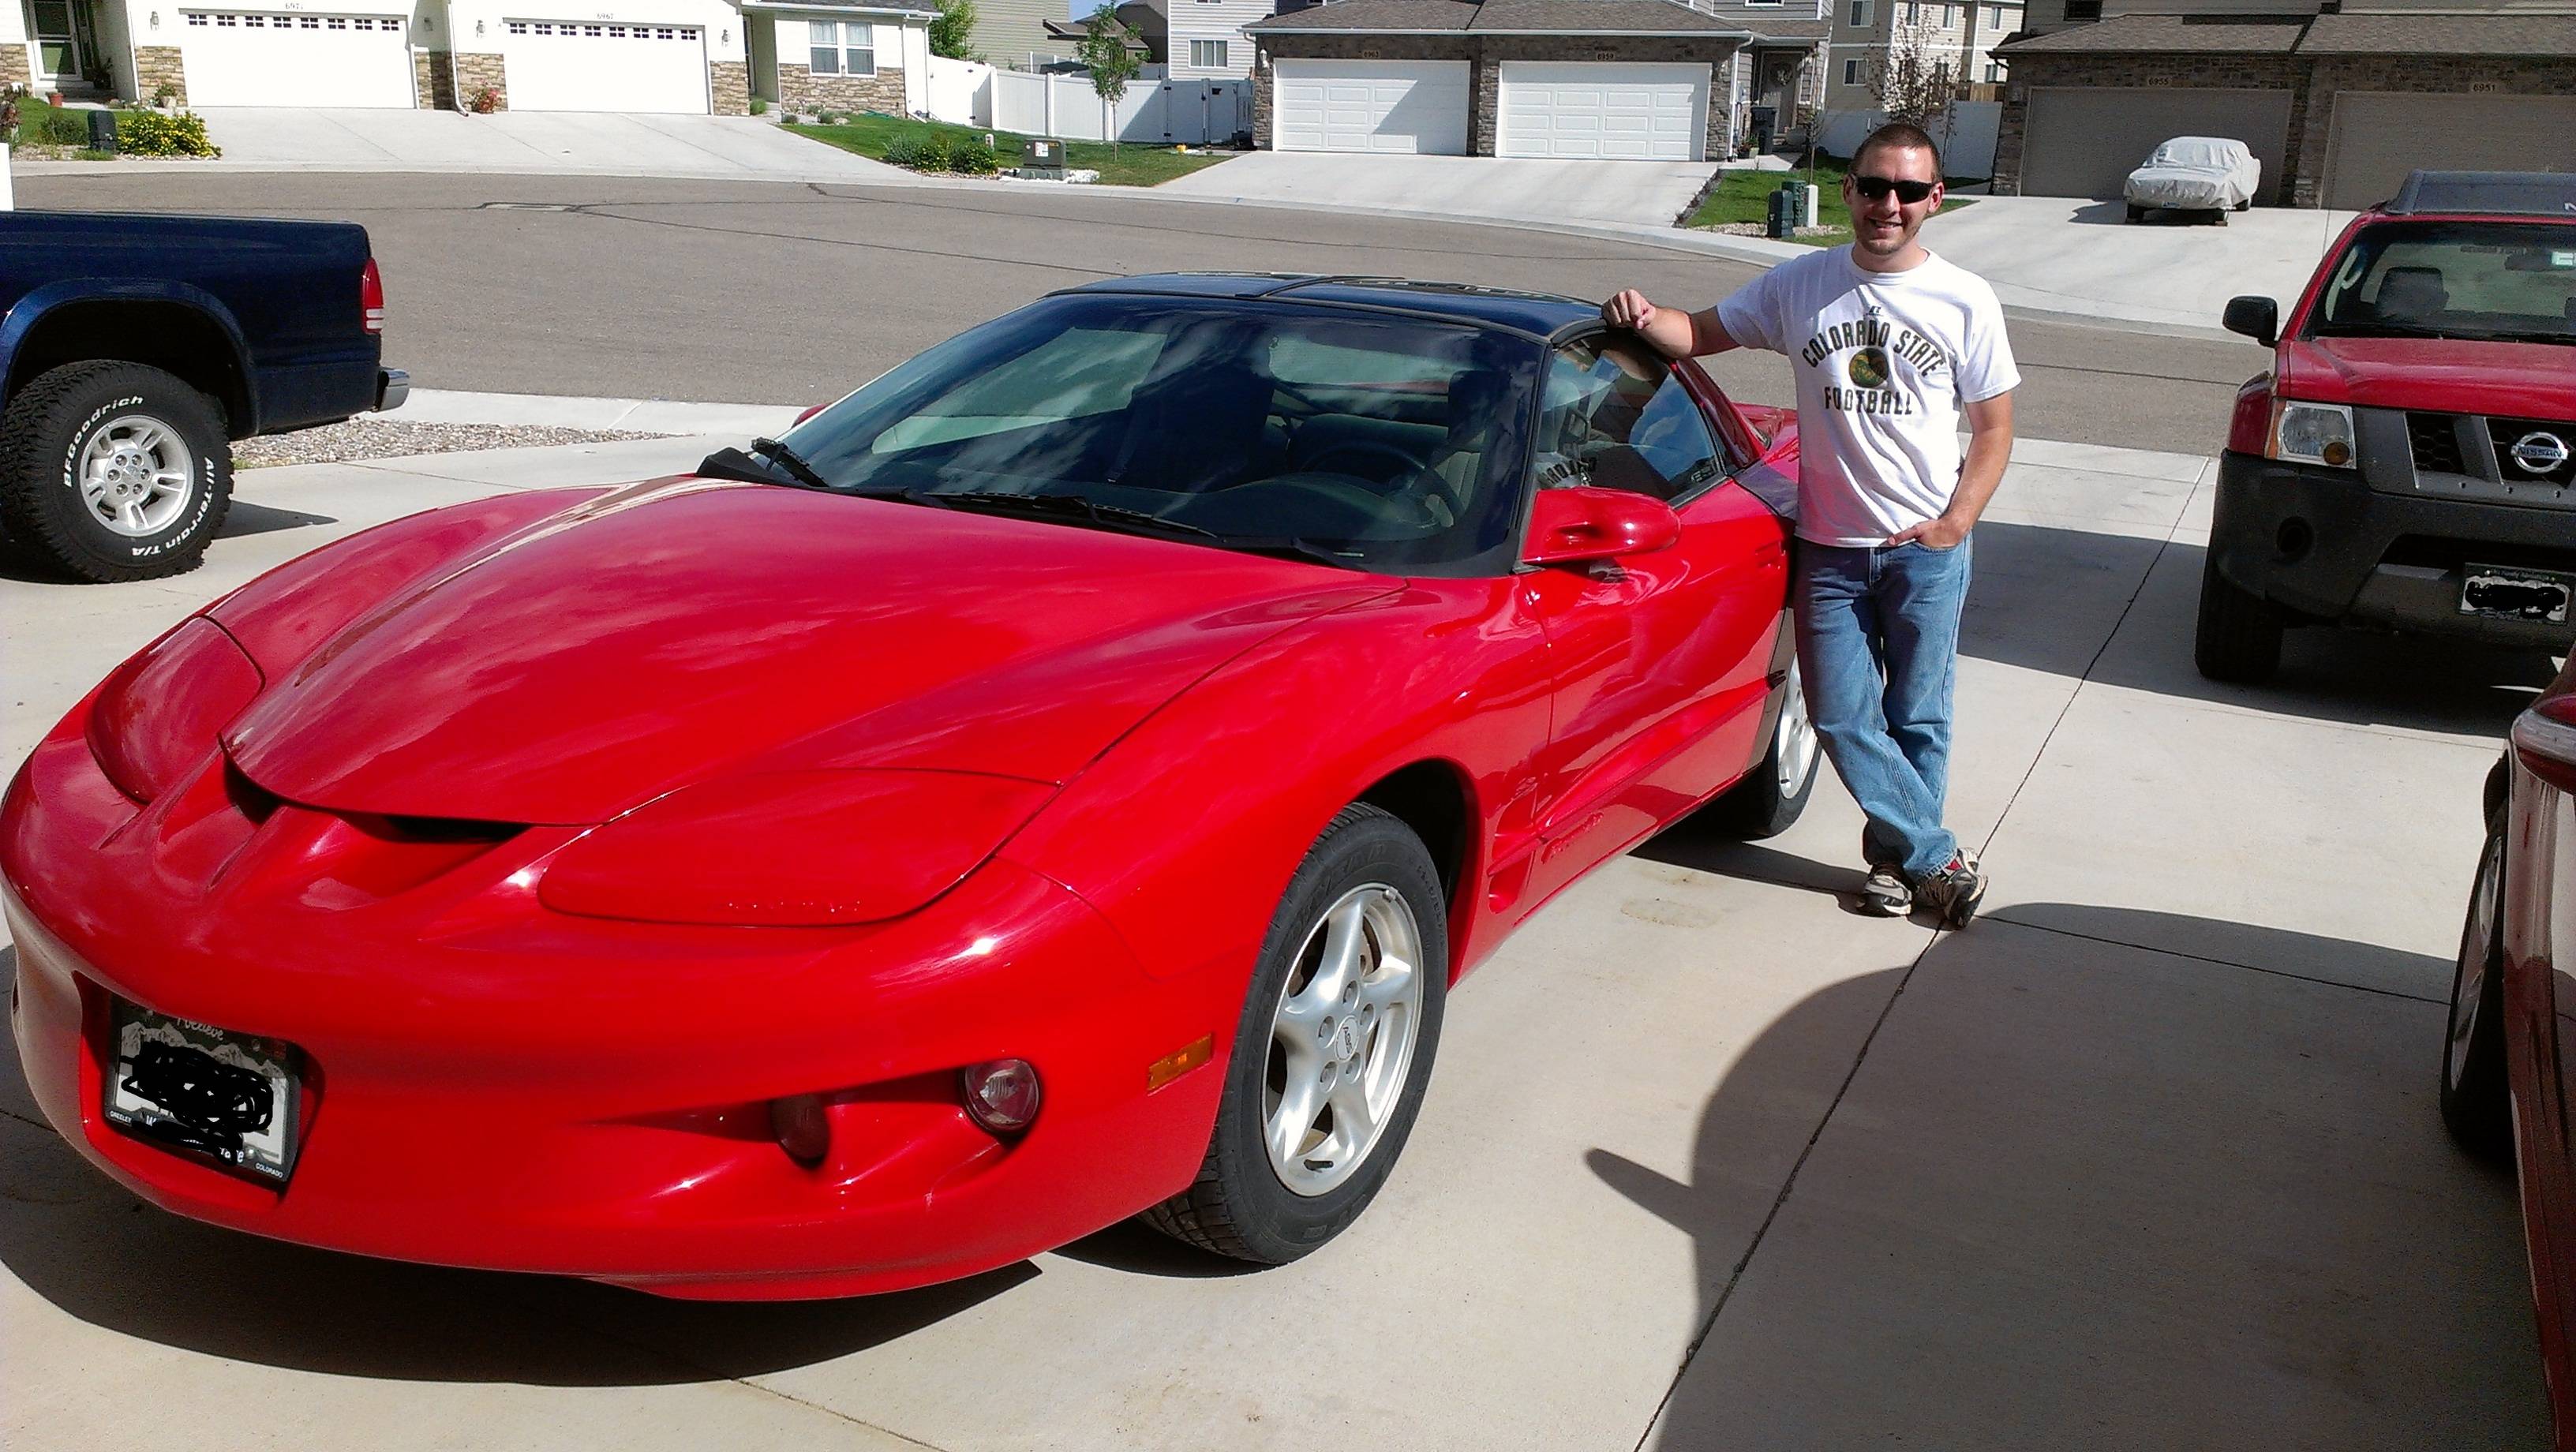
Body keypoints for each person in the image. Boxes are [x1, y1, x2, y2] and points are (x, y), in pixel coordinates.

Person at [1601, 121, 2019, 926]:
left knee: (1918, 717)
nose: (1886, 206)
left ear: (1934, 199)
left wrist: (1955, 523)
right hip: (1830, 545)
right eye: (1872, 187)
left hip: (1924, 549)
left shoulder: (1964, 297)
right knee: (1837, 715)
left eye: (1906, 191)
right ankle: (1938, 856)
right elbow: (1701, 334)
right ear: (1848, 192)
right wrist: (1644, 316)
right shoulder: (1802, 285)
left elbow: (1995, 428)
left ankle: (1897, 866)